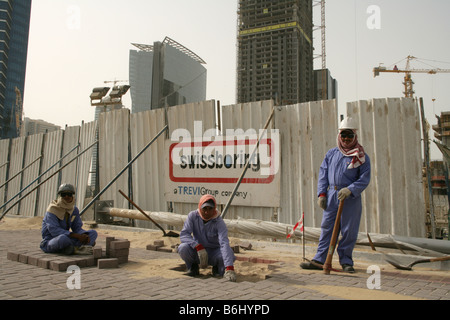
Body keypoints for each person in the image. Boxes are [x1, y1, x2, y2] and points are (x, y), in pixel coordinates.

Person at [300, 117, 371, 273]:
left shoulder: (361, 157)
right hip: (332, 196)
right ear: (339, 136)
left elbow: (364, 178)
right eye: (343, 135)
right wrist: (321, 194)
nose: (346, 139)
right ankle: (319, 259)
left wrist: (350, 189)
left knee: (348, 230)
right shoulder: (331, 154)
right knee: (327, 228)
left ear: (355, 136)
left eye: (349, 136)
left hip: (350, 198)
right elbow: (323, 174)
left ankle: (346, 261)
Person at [178, 194, 236, 282]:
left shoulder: (219, 222)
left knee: (229, 253)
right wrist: (197, 246)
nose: (207, 212)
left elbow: (224, 243)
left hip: (214, 253)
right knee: (183, 248)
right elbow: (184, 234)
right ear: (200, 207)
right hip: (198, 252)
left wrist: (229, 267)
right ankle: (193, 267)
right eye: (204, 208)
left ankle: (217, 269)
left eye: (210, 209)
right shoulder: (193, 216)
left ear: (214, 209)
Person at [40, 183, 97, 255]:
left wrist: (84, 235)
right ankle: (78, 248)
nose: (67, 196)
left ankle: (72, 248)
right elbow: (54, 231)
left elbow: (77, 228)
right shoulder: (52, 210)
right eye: (64, 194)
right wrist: (77, 236)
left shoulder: (74, 210)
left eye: (69, 194)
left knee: (93, 233)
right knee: (63, 239)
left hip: (68, 237)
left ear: (72, 196)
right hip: (52, 239)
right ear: (60, 196)